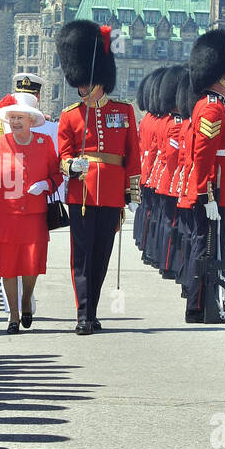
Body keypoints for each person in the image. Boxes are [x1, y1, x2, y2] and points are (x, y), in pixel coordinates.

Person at [56, 20, 140, 334]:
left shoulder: (124, 111)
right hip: (82, 195)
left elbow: (133, 153)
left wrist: (132, 194)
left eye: (86, 83)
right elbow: (62, 155)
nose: (82, 88)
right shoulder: (70, 114)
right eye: (79, 84)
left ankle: (91, 310)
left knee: (102, 256)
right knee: (82, 256)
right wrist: (70, 167)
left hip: (112, 195)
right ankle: (82, 315)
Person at [0, 92, 62, 332]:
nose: (15, 122)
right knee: (7, 267)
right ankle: (13, 315)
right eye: (12, 118)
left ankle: (27, 298)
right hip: (6, 214)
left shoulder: (44, 143)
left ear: (31, 120)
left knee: (30, 265)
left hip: (34, 216)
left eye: (20, 118)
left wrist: (47, 184)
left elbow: (57, 174)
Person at [184, 29, 225, 324]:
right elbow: (204, 155)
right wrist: (207, 194)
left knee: (212, 246)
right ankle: (202, 305)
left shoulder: (218, 107)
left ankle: (204, 304)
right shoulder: (211, 109)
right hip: (215, 191)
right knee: (209, 247)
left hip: (221, 190)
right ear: (221, 78)